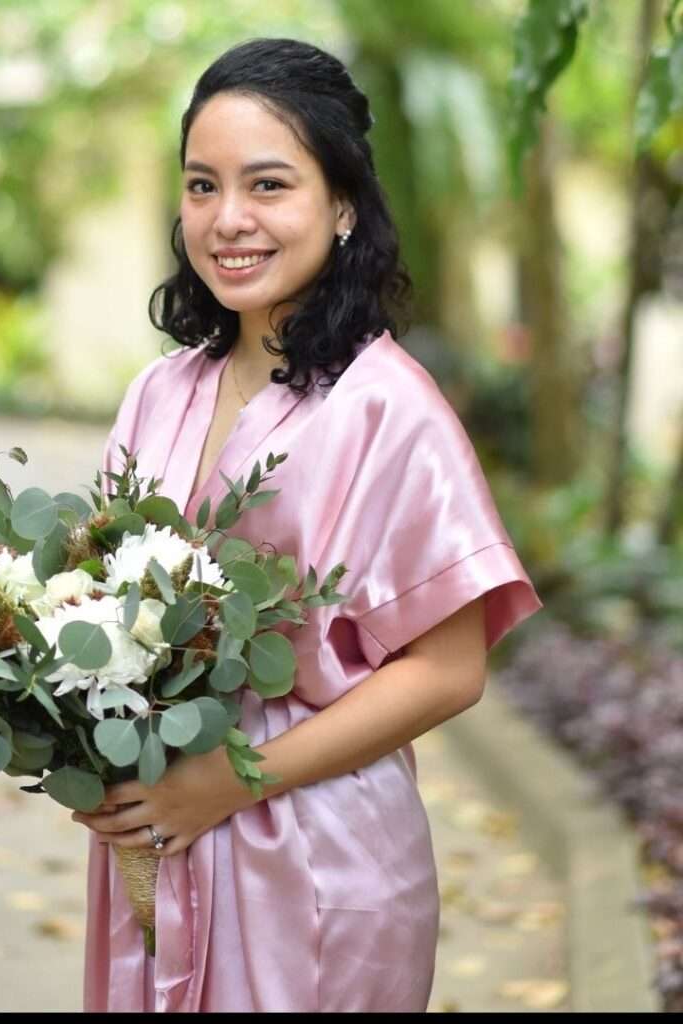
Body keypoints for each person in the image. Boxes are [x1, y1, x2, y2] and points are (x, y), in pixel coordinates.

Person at [70, 37, 543, 1012]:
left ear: (340, 207)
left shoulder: (386, 407)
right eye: (202, 186)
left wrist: (232, 781)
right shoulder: (158, 394)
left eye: (268, 184)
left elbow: (449, 667)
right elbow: (95, 609)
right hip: (158, 839)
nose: (228, 219)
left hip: (321, 858)